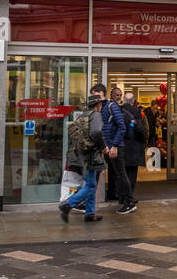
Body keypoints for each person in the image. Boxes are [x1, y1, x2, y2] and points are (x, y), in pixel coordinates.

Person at [60, 93, 107, 223]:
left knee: (90, 183)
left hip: (81, 154)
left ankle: (90, 213)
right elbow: (96, 132)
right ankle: (68, 204)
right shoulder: (96, 115)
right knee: (92, 185)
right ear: (99, 105)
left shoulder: (83, 115)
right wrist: (103, 147)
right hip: (91, 155)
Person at [97, 83, 136, 215]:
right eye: (117, 95)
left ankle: (129, 202)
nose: (119, 97)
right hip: (108, 147)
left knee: (121, 174)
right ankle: (123, 199)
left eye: (120, 95)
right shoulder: (103, 108)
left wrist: (114, 145)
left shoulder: (111, 107)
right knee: (117, 175)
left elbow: (122, 127)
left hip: (115, 147)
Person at [120, 91, 147, 201]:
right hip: (133, 145)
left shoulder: (118, 110)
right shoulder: (136, 111)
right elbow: (139, 128)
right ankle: (129, 196)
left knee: (122, 172)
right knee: (132, 173)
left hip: (121, 145)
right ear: (133, 101)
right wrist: (144, 139)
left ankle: (121, 196)